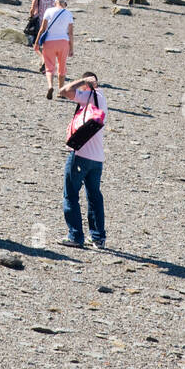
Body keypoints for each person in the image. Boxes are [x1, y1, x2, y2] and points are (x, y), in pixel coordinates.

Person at [58, 72, 108, 249]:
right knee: (94, 196)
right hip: (97, 158)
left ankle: (75, 236)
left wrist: (82, 82)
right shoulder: (102, 97)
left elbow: (63, 90)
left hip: (81, 155)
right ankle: (98, 238)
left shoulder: (88, 95)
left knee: (70, 194)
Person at [35, 0, 74, 99]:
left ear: (55, 2)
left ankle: (50, 86)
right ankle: (61, 91)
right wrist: (71, 48)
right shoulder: (69, 14)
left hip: (49, 42)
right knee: (62, 67)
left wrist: (37, 42)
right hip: (63, 42)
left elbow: (42, 29)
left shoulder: (49, 11)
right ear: (65, 3)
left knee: (49, 67)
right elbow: (70, 33)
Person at [27, 0, 57, 70]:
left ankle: (44, 59)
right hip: (51, 23)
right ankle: (46, 62)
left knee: (34, 43)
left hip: (39, 22)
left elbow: (32, 8)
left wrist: (31, 17)